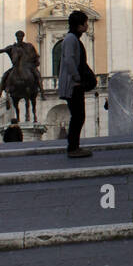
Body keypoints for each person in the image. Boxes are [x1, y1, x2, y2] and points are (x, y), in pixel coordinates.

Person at [57, 10, 95, 159]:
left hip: (74, 83)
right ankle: (73, 148)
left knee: (78, 116)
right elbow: (69, 60)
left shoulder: (72, 39)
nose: (87, 26)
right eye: (85, 23)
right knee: (78, 116)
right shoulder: (71, 39)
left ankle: (74, 146)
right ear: (79, 25)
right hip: (73, 85)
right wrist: (77, 78)